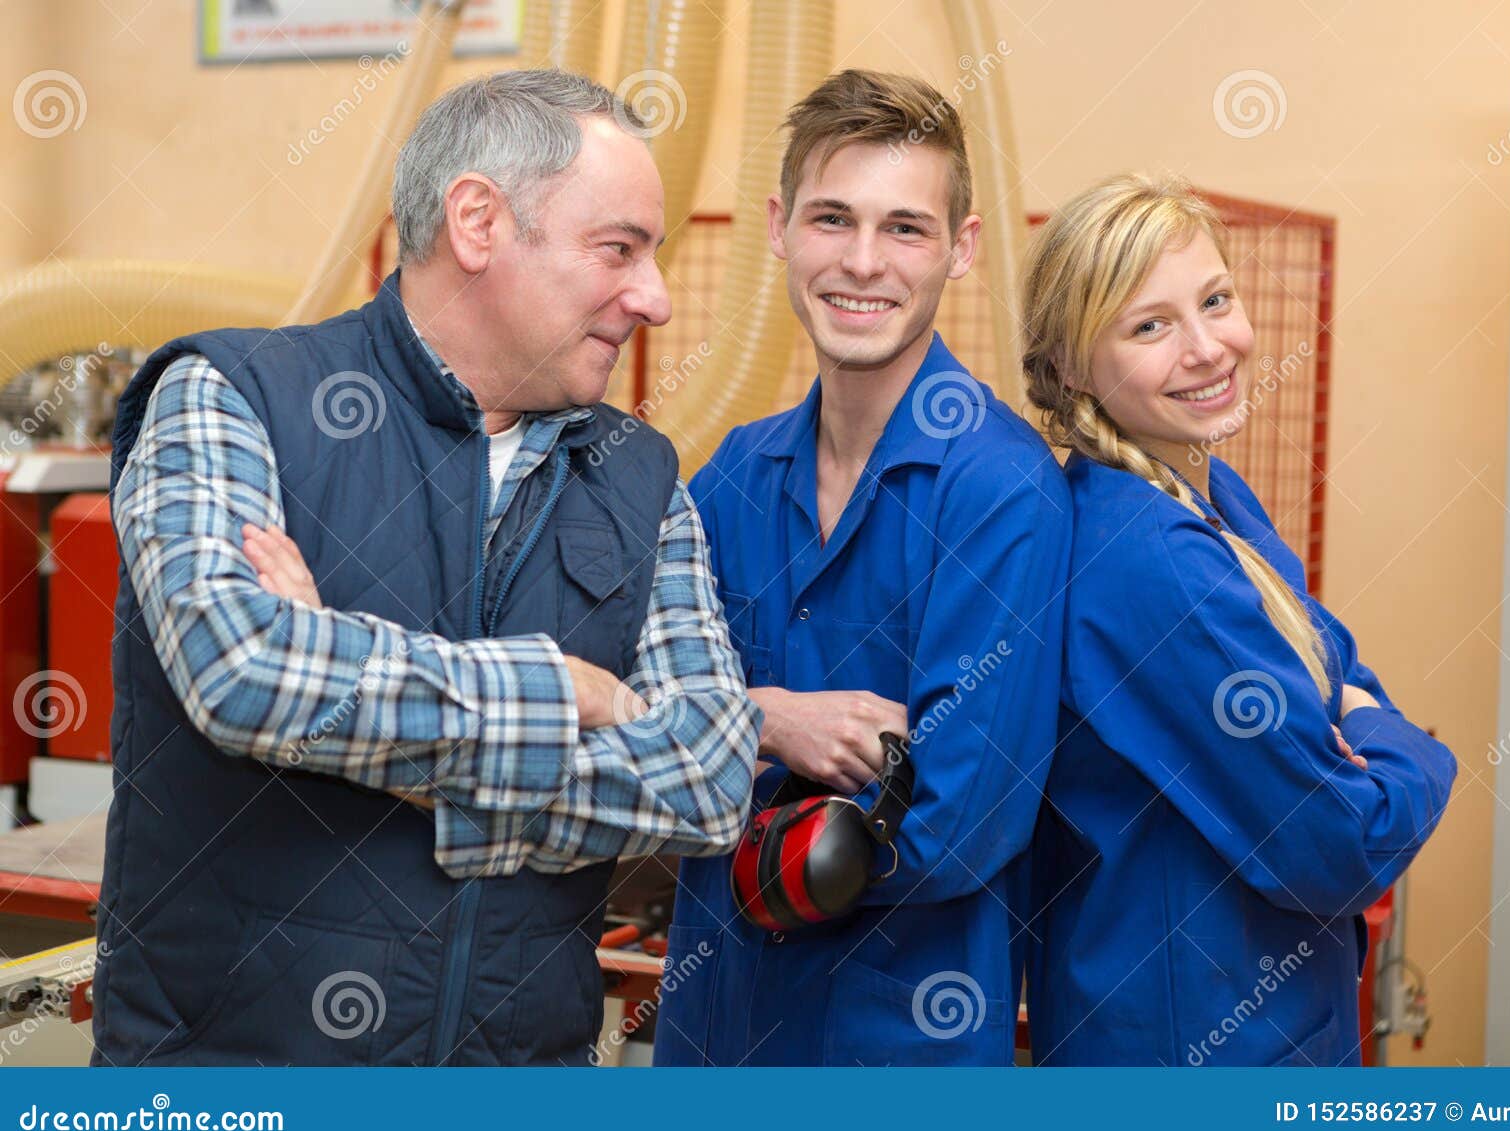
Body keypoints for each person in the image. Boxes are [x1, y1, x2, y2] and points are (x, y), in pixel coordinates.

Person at [94, 69, 759, 1066]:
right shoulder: (233, 398)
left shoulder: (640, 476)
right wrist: (564, 692)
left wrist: (372, 727)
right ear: (479, 222)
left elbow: (706, 780)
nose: (654, 298)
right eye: (617, 249)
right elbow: (247, 676)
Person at [653, 69, 1072, 1066]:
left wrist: (710, 766)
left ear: (961, 249)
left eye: (906, 228)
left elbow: (954, 817)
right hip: (709, 1021)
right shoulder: (732, 475)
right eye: (832, 218)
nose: (862, 262)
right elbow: (632, 707)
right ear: (779, 228)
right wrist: (766, 719)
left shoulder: (1000, 489)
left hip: (892, 1040)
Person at [1018, 173, 1456, 1066]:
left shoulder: (1200, 491)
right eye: (1150, 326)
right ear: (1071, 367)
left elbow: (1331, 659)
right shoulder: (1152, 556)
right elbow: (1344, 837)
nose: (1210, 348)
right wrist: (1405, 744)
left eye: (1215, 301)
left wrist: (1348, 704)